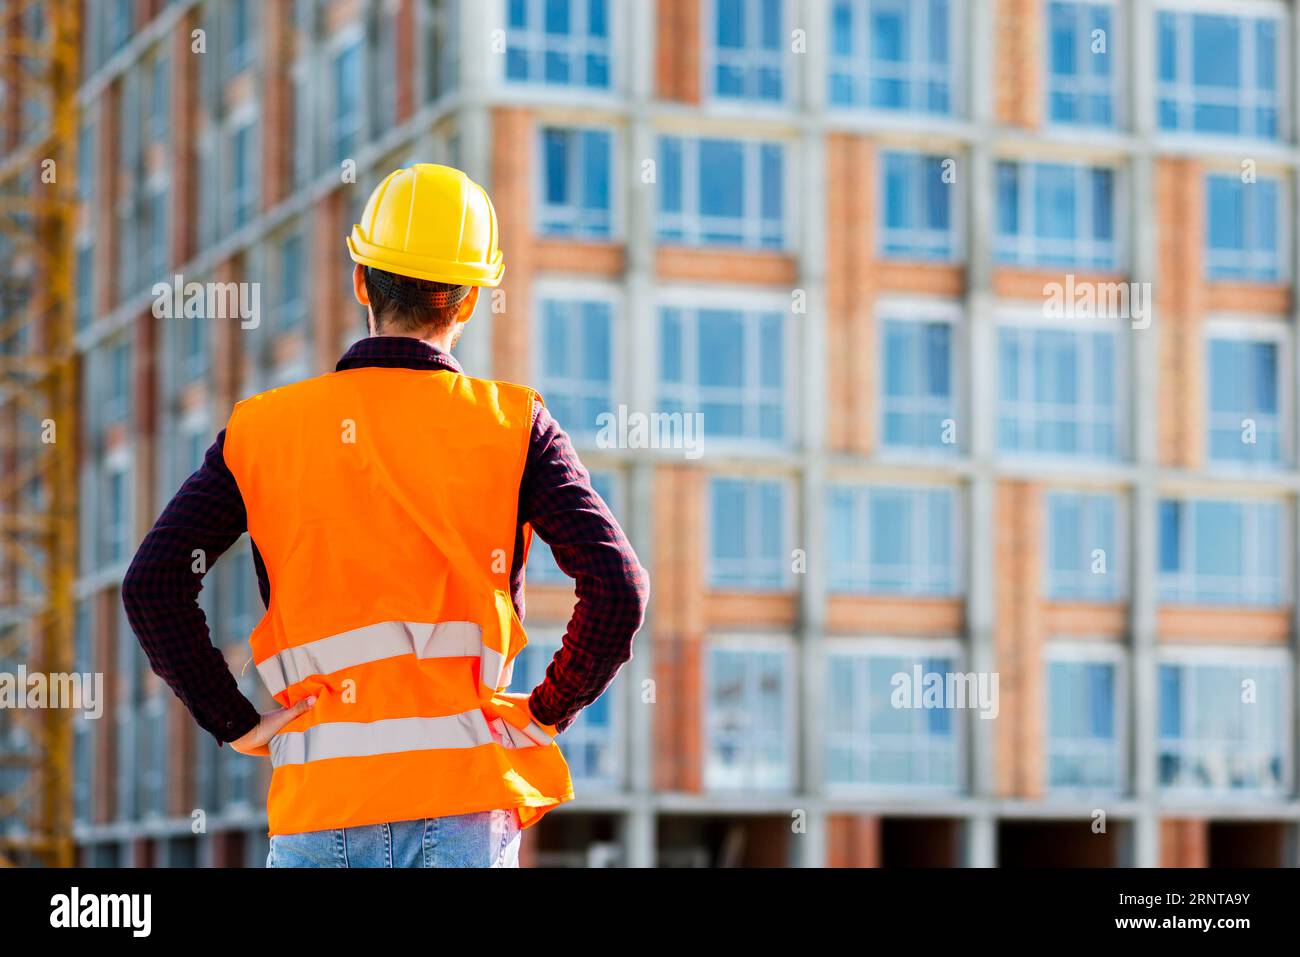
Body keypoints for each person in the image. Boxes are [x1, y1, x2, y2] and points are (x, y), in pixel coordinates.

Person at [122, 164, 649, 867]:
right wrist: (548, 707)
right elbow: (619, 588)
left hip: (320, 808)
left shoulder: (265, 431)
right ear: (466, 304)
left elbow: (152, 582)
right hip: (463, 806)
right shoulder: (515, 426)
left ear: (361, 282)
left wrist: (234, 720)